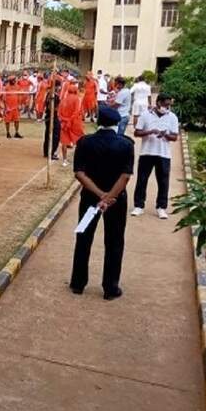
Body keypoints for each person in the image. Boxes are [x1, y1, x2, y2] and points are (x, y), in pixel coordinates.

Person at [69, 106, 134, 300]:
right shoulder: (126, 144)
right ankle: (110, 287)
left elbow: (79, 173)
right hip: (116, 200)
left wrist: (99, 195)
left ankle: (78, 283)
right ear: (116, 123)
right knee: (114, 242)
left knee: (84, 238)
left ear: (98, 122)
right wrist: (109, 197)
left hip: (90, 197)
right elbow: (125, 176)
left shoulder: (85, 142)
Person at [132, 93, 180, 220]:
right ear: (158, 102)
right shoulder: (145, 115)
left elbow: (175, 137)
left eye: (169, 105)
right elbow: (137, 132)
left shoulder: (172, 117)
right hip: (147, 152)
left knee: (163, 181)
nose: (167, 107)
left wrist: (165, 135)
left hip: (163, 154)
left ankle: (161, 207)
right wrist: (150, 131)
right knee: (142, 179)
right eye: (165, 104)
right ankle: (139, 206)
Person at [58, 77, 85, 166]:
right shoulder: (77, 99)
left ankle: (64, 160)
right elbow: (76, 111)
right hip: (74, 122)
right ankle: (79, 159)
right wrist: (70, 120)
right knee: (79, 140)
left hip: (64, 123)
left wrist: (63, 120)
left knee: (64, 142)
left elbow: (59, 112)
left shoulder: (63, 100)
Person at [42, 73, 62, 160]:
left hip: (50, 116)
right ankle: (51, 152)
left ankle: (47, 152)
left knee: (48, 134)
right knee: (55, 135)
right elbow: (51, 107)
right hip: (52, 116)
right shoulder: (53, 95)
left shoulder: (50, 93)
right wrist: (58, 109)